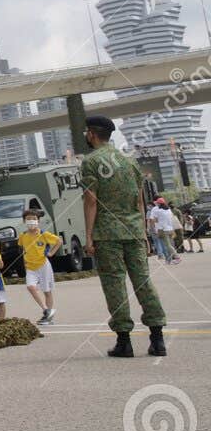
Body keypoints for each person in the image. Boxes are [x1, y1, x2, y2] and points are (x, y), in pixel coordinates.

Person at [80, 115, 167, 358]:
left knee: (114, 284)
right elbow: (140, 200)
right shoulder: (130, 162)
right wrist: (143, 233)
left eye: (87, 132)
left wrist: (88, 237)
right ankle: (158, 339)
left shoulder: (90, 162)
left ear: (92, 134)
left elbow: (91, 201)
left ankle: (124, 342)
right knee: (143, 282)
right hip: (133, 232)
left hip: (107, 235)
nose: (86, 135)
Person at [17, 208, 62, 325]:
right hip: (30, 268)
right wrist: (24, 264)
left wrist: (51, 253)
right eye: (28, 219)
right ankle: (46, 310)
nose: (31, 221)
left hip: (43, 266)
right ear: (24, 221)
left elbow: (59, 241)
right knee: (30, 287)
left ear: (38, 221)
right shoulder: (23, 236)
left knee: (47, 291)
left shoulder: (44, 234)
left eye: (34, 219)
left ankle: (48, 317)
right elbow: (23, 251)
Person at [147, 198, 179, 264]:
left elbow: (154, 220)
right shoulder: (169, 210)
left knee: (167, 245)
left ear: (158, 204)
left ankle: (177, 257)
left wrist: (153, 226)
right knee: (170, 245)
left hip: (163, 230)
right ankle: (169, 260)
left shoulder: (159, 211)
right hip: (170, 229)